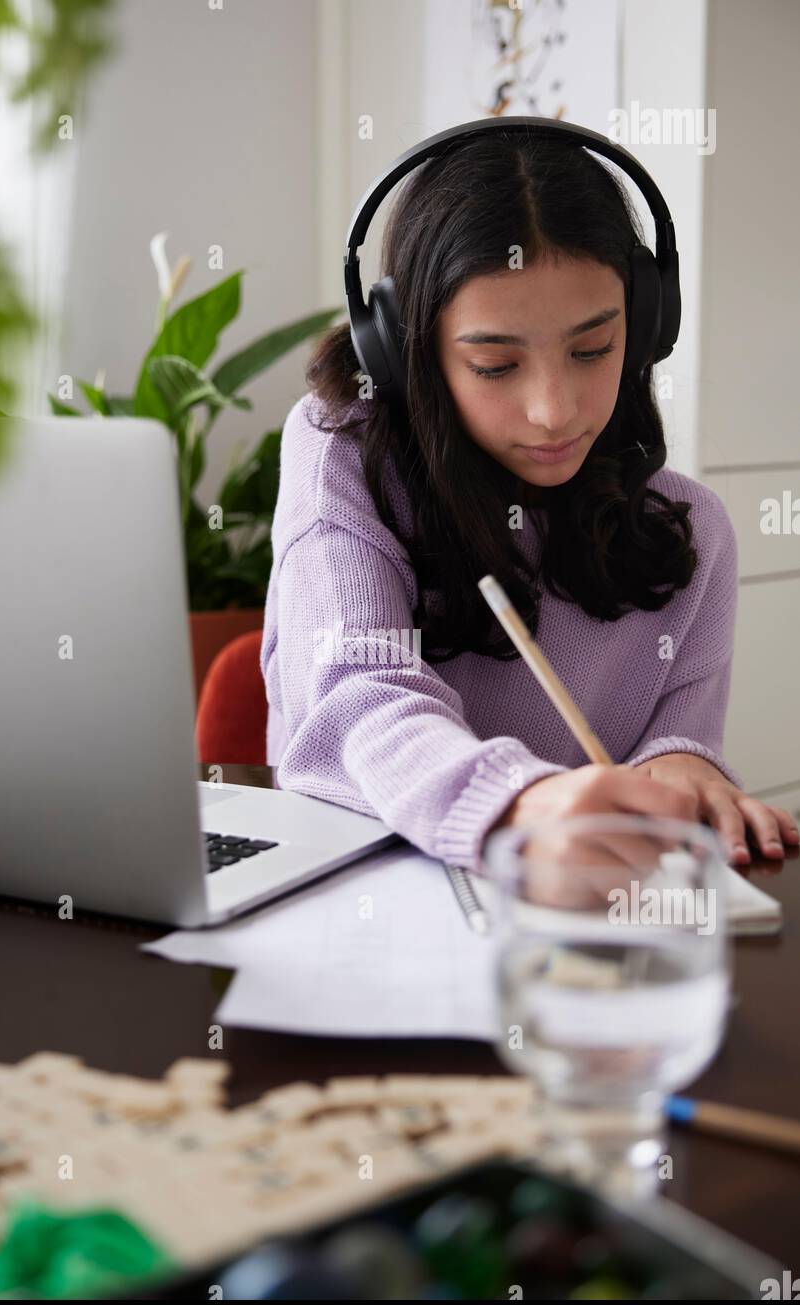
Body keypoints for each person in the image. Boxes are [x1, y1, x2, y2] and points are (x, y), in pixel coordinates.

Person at [259, 129, 798, 874]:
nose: (553, 410)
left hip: (578, 939)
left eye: (591, 350)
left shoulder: (694, 531)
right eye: (495, 364)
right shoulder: (343, 457)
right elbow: (354, 693)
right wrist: (519, 806)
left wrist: (680, 767)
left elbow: (676, 740)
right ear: (408, 353)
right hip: (365, 911)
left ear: (644, 331)